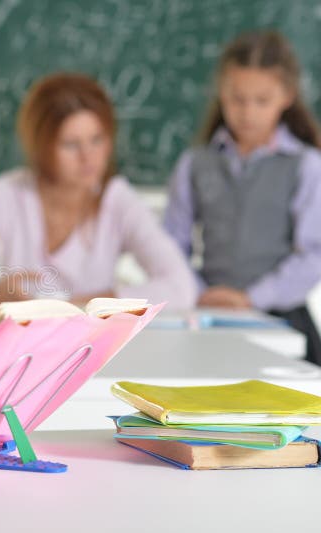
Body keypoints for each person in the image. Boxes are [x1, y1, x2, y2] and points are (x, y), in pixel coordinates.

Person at [0, 73, 197, 309]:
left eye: (97, 139)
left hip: (95, 349)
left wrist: (88, 304)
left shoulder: (118, 201)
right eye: (70, 144)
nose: (88, 157)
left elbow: (181, 287)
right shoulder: (3, 197)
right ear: (42, 146)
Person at [163, 30, 321, 364]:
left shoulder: (307, 166)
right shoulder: (195, 164)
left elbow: (314, 253)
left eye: (262, 100)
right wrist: (201, 292)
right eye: (237, 99)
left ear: (287, 96)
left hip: (284, 322)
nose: (248, 112)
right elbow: (170, 245)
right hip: (208, 317)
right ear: (222, 93)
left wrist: (250, 298)